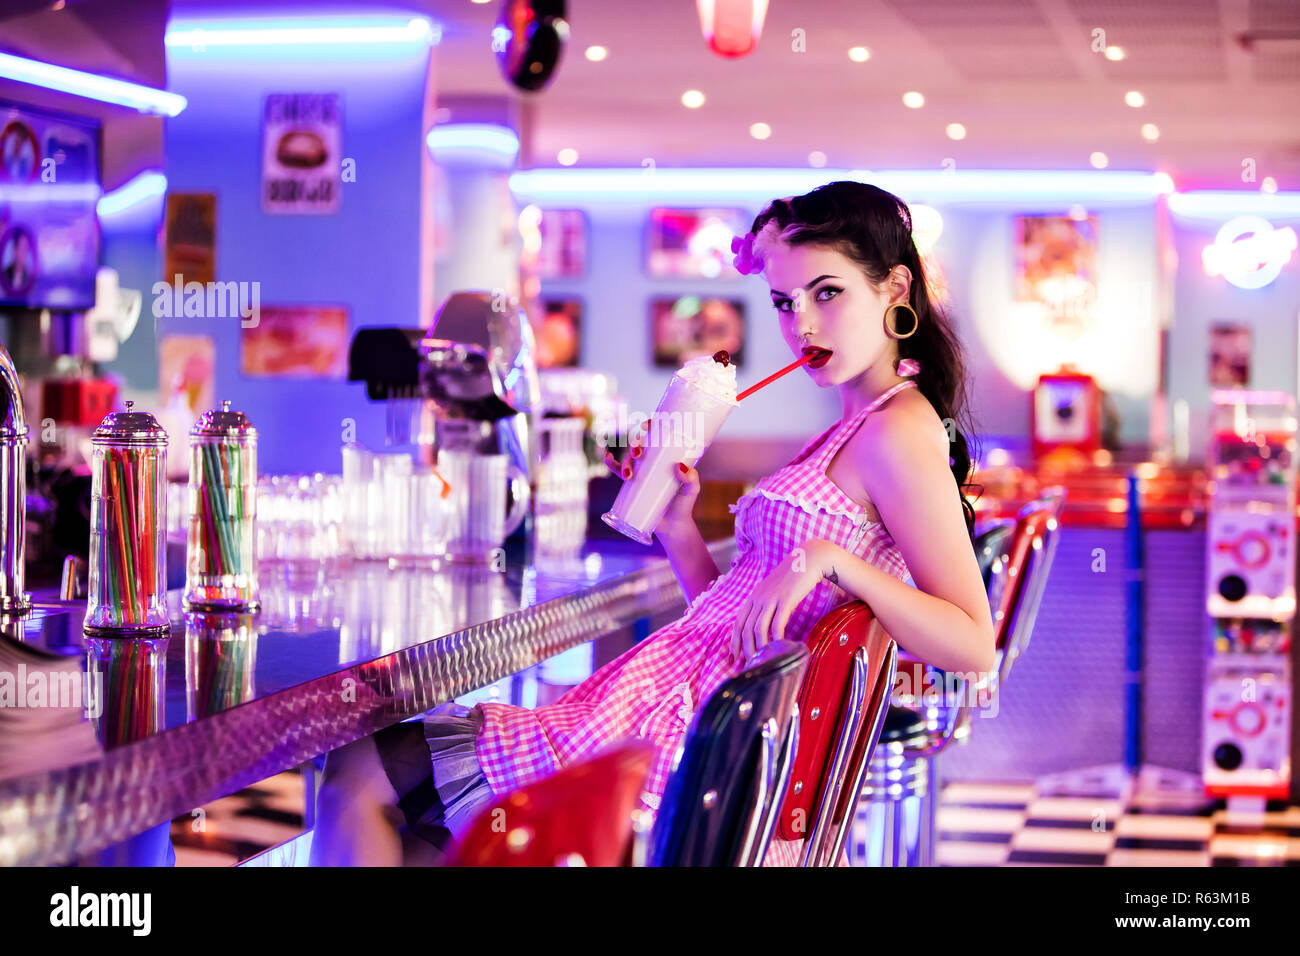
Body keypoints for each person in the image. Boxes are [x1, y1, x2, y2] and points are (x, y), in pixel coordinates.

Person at [310, 181, 996, 867]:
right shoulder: (855, 424)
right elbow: (730, 625)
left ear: (895, 289)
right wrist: (678, 525)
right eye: (785, 302)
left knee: (357, 775)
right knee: (421, 840)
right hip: (662, 726)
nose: (803, 326)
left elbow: (972, 643)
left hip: (666, 759)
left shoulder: (896, 432)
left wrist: (835, 560)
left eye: (828, 293)